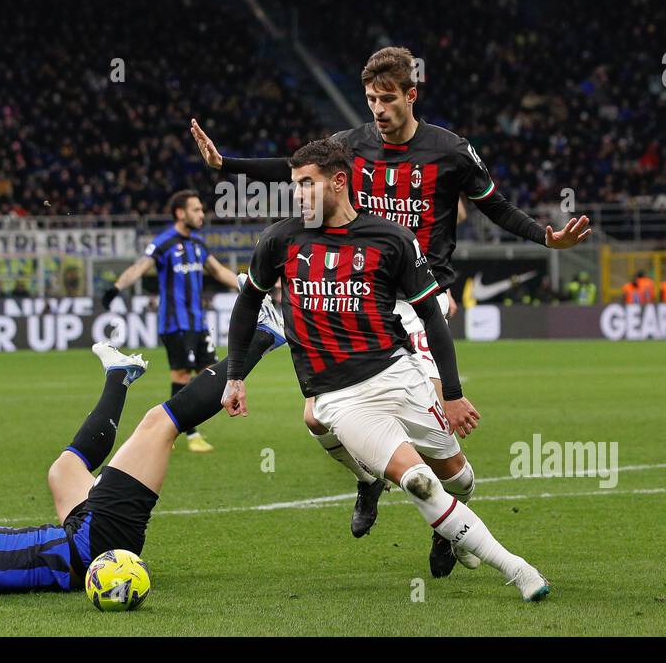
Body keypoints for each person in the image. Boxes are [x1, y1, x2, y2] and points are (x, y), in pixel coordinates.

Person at [191, 46, 589, 563]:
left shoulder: (450, 151)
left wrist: (545, 237)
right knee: (315, 419)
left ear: (411, 95)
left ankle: (447, 524)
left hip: (423, 298)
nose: (377, 110)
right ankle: (368, 478)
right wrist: (228, 164)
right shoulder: (351, 145)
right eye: (370, 100)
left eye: (386, 99)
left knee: (438, 442)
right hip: (364, 296)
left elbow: (497, 207)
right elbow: (297, 168)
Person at [221, 137, 550, 600]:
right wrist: (236, 376)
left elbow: (431, 315)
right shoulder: (281, 239)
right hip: (340, 397)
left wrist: (451, 393)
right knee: (417, 480)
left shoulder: (391, 239)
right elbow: (248, 301)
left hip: (400, 375)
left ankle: (452, 532)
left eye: (305, 184)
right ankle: (518, 570)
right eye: (293, 185)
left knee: (458, 477)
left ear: (338, 182)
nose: (296, 194)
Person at [0, 300, 286, 596]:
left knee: (62, 470)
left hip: (75, 533)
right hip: (93, 546)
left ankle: (120, 373)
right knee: (159, 424)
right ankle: (265, 334)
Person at [102, 190, 241, 453]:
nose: (202, 214)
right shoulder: (163, 243)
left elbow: (220, 271)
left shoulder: (198, 244)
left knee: (212, 374)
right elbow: (140, 267)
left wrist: (252, 288)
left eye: (202, 209)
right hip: (175, 324)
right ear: (180, 213)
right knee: (181, 375)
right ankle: (185, 433)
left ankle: (179, 426)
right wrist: (116, 287)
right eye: (197, 209)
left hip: (198, 323)